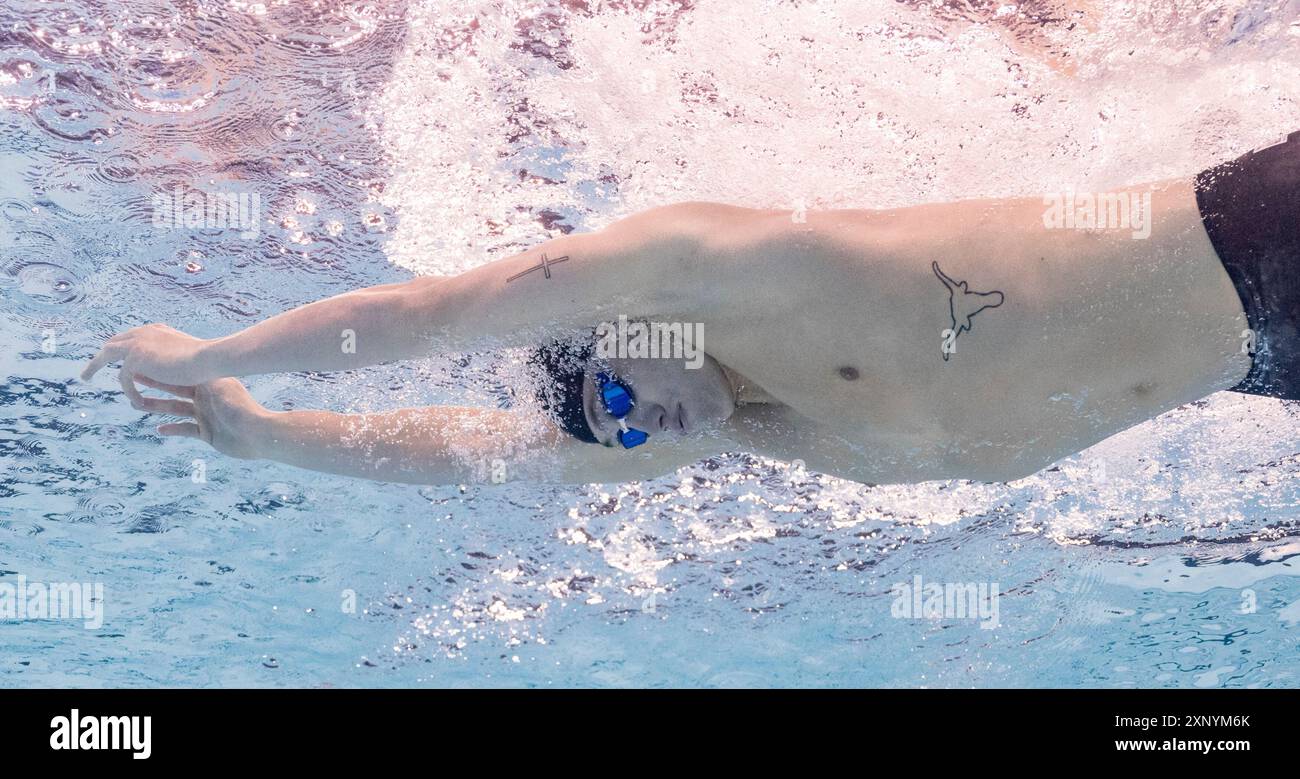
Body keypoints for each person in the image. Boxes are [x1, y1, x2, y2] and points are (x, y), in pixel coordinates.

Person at [82, 132, 1300, 486]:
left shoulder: (703, 269)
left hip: (1253, 239)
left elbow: (420, 317)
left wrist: (216, 352)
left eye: (619, 396)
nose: (641, 427)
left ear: (621, 332)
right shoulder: (729, 427)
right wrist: (265, 434)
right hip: (1266, 363)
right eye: (615, 431)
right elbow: (474, 453)